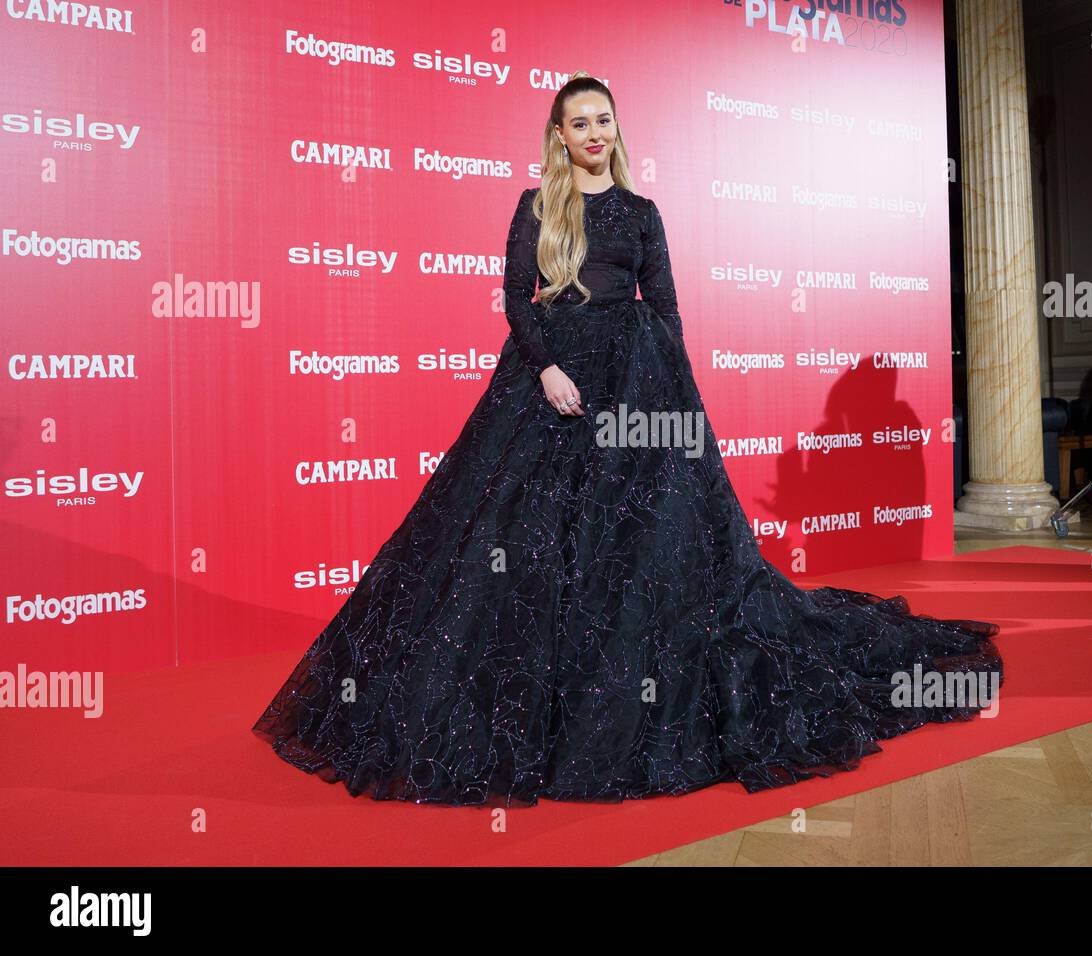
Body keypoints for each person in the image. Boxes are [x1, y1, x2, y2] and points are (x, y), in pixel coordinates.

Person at [251, 74, 1004, 808]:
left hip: (638, 381)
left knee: (636, 544)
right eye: (579, 123)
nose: (594, 134)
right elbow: (517, 298)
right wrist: (545, 368)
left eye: (603, 119)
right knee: (523, 539)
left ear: (616, 128)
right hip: (550, 380)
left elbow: (667, 306)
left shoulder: (643, 212)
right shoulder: (535, 206)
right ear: (560, 136)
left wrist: (672, 402)